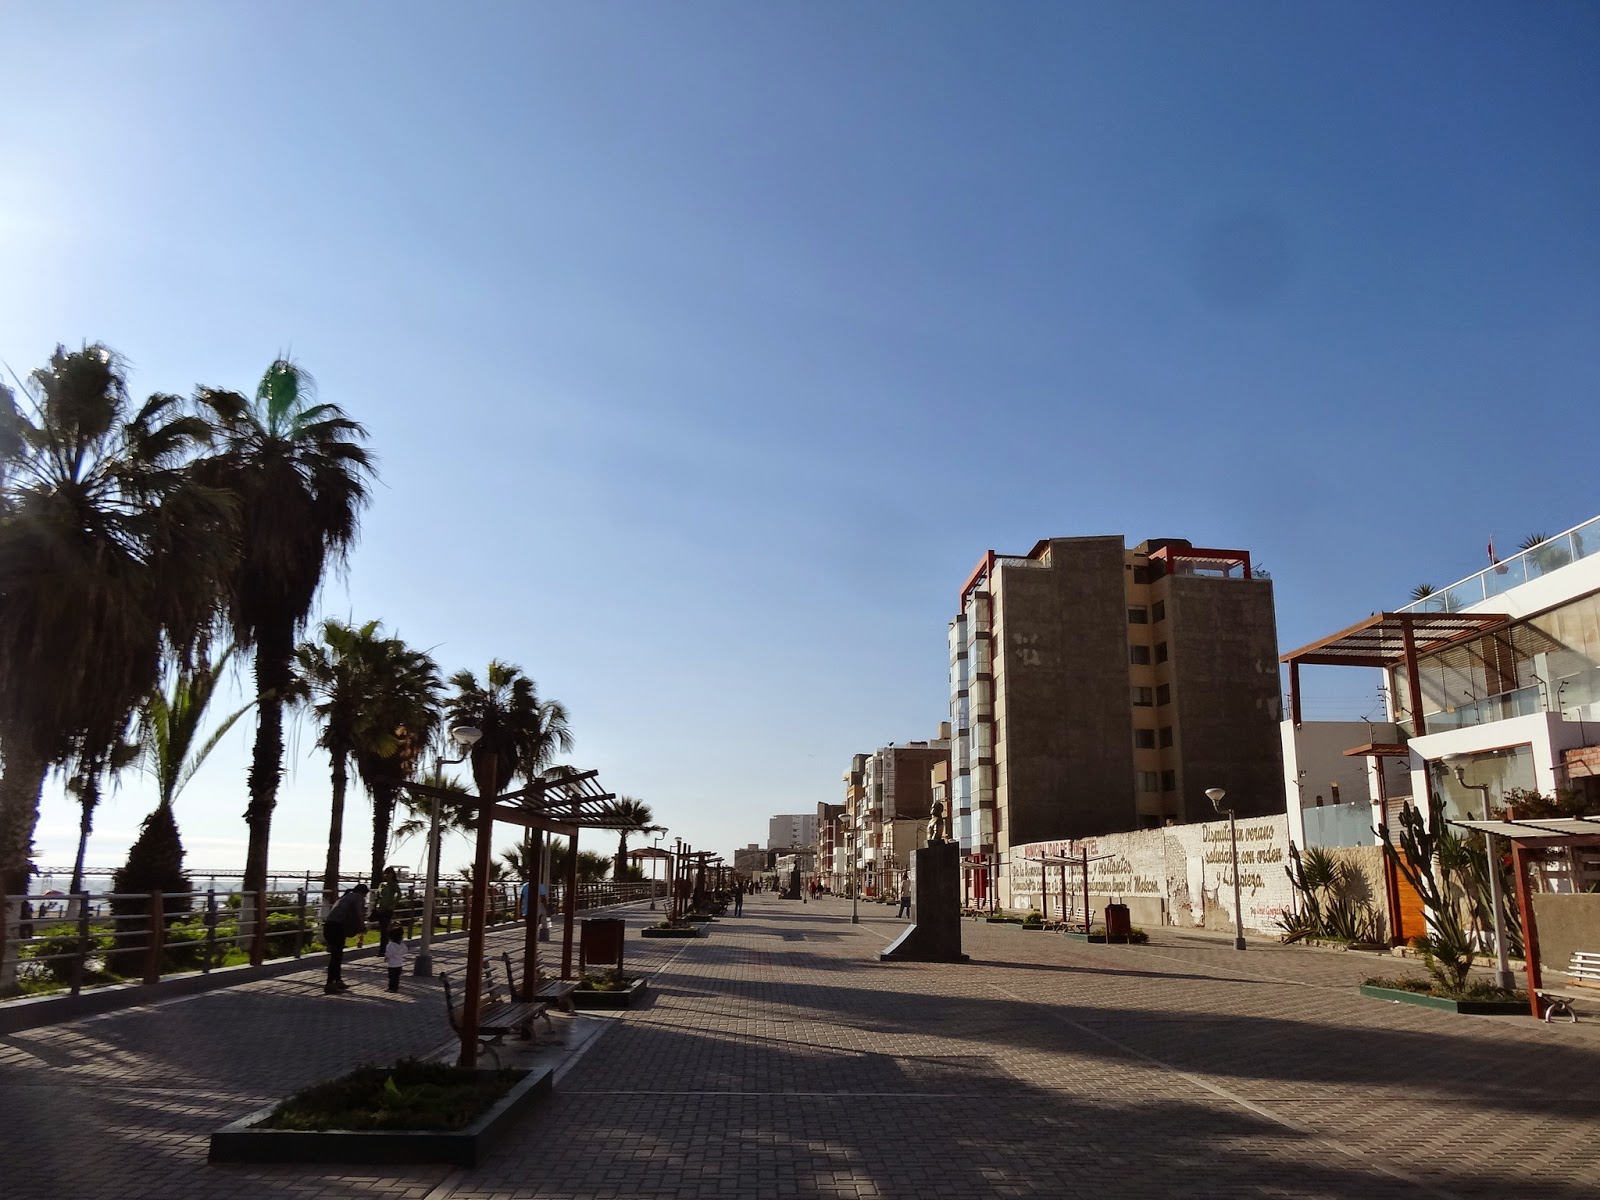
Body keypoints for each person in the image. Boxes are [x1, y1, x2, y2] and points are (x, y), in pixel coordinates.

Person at [323, 883, 368, 994]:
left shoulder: (346, 896)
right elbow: (360, 913)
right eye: (365, 895)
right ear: (363, 893)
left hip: (329, 925)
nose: (365, 898)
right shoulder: (358, 897)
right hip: (337, 927)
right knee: (336, 957)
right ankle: (329, 984)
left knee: (337, 955)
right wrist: (362, 926)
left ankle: (337, 980)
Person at [368, 866, 401, 945]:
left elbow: (399, 894)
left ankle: (384, 948)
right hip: (380, 908)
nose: (387, 875)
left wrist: (393, 904)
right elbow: (378, 896)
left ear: (392, 874)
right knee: (382, 928)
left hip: (388, 909)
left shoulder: (393, 884)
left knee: (384, 928)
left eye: (389, 873)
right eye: (386, 873)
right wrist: (375, 906)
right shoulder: (382, 884)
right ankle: (385, 946)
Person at [384, 927, 406, 993]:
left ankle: (391, 988)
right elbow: (405, 950)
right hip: (399, 964)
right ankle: (395, 987)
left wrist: (386, 958)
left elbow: (389, 953)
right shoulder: (402, 944)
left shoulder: (390, 945)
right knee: (397, 977)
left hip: (392, 964)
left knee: (391, 977)